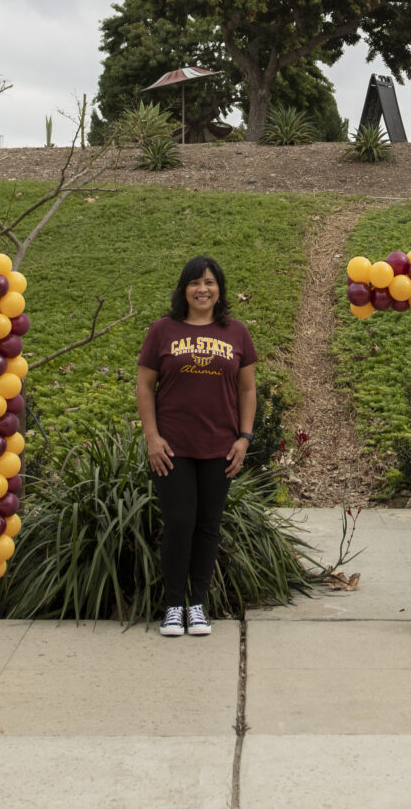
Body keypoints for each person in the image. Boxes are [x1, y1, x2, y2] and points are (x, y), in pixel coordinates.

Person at [136, 254, 257, 637]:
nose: (202, 289)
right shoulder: (163, 330)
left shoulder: (236, 332)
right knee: (179, 523)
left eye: (209, 282)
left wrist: (244, 438)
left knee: (207, 525)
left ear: (219, 289)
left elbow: (247, 389)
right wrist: (152, 438)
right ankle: (174, 606)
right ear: (183, 289)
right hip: (172, 448)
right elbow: (144, 386)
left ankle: (197, 605)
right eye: (194, 282)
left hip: (221, 447)